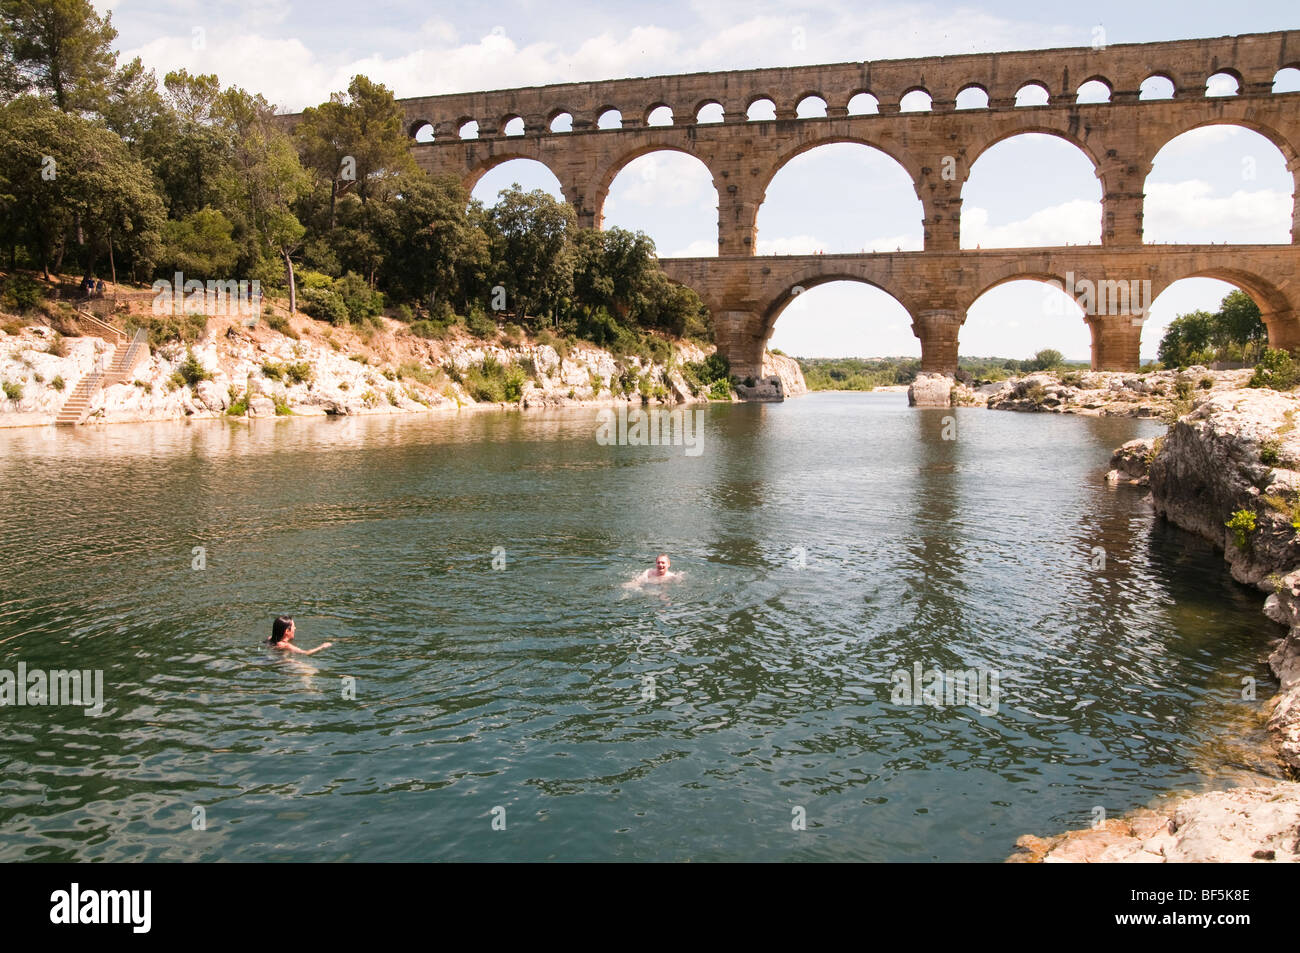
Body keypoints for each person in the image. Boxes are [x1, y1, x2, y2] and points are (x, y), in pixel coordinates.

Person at [267, 615, 332, 655]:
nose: (295, 628)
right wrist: (322, 646)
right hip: (283, 662)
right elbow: (306, 653)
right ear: (287, 631)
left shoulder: (270, 638)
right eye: (293, 627)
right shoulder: (286, 645)